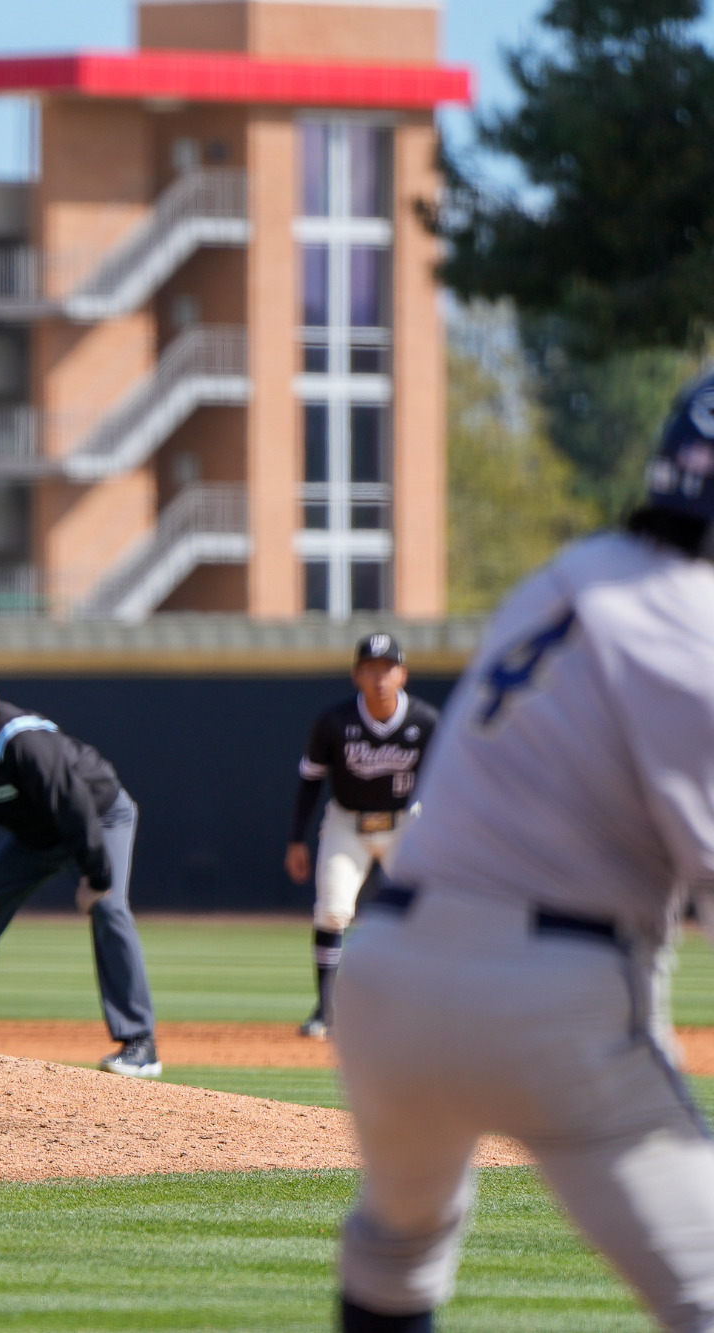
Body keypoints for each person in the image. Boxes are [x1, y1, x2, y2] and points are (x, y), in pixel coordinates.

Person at [332, 372, 714, 1333]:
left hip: (388, 977)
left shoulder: (574, 572)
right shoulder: (698, 630)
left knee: (396, 1253)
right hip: (552, 997)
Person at [0, 658, 161, 1077]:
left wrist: (96, 877)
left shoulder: (22, 741)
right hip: (35, 837)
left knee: (108, 906)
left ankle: (141, 1044)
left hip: (99, 817)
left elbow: (75, 805)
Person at [285, 633, 439, 1038]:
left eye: (388, 669)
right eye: (370, 669)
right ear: (356, 675)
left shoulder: (425, 721)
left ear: (403, 674)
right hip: (347, 823)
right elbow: (310, 780)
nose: (379, 678)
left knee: (423, 914)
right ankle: (325, 1011)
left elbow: (446, 783)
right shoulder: (335, 722)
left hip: (405, 823)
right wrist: (297, 838)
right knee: (332, 911)